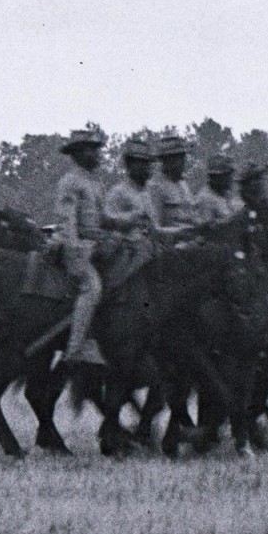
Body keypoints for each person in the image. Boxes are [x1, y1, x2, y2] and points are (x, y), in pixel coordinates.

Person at [54, 128, 109, 368]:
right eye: (92, 149)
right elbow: (67, 221)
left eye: (98, 149)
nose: (97, 154)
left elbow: (104, 218)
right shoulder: (70, 182)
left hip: (98, 244)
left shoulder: (96, 183)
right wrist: (76, 250)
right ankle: (75, 349)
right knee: (92, 288)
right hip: (78, 247)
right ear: (77, 153)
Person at [104, 136, 157, 240]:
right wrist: (134, 217)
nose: (145, 168)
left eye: (147, 163)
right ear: (129, 164)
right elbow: (109, 222)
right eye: (140, 162)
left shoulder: (149, 193)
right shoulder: (118, 192)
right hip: (127, 249)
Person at [148, 135, 197, 239]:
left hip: (191, 241)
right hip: (171, 245)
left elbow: (192, 217)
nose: (182, 162)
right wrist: (181, 232)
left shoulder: (184, 184)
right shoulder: (156, 186)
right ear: (166, 161)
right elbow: (155, 228)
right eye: (177, 158)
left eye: (182, 157)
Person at [194, 154, 244, 225]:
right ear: (217, 177)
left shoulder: (226, 194)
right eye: (227, 175)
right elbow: (207, 230)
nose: (231, 178)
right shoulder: (205, 199)